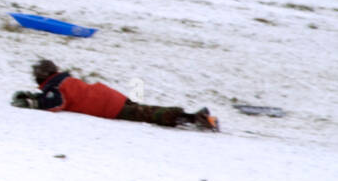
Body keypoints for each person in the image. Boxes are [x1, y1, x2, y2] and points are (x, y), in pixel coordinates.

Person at [13, 60, 219, 131]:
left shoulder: (54, 88)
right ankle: (193, 117)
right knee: (145, 110)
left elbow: (54, 103)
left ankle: (195, 119)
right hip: (111, 96)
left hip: (109, 107)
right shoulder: (62, 80)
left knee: (147, 115)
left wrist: (31, 103)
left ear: (41, 77)